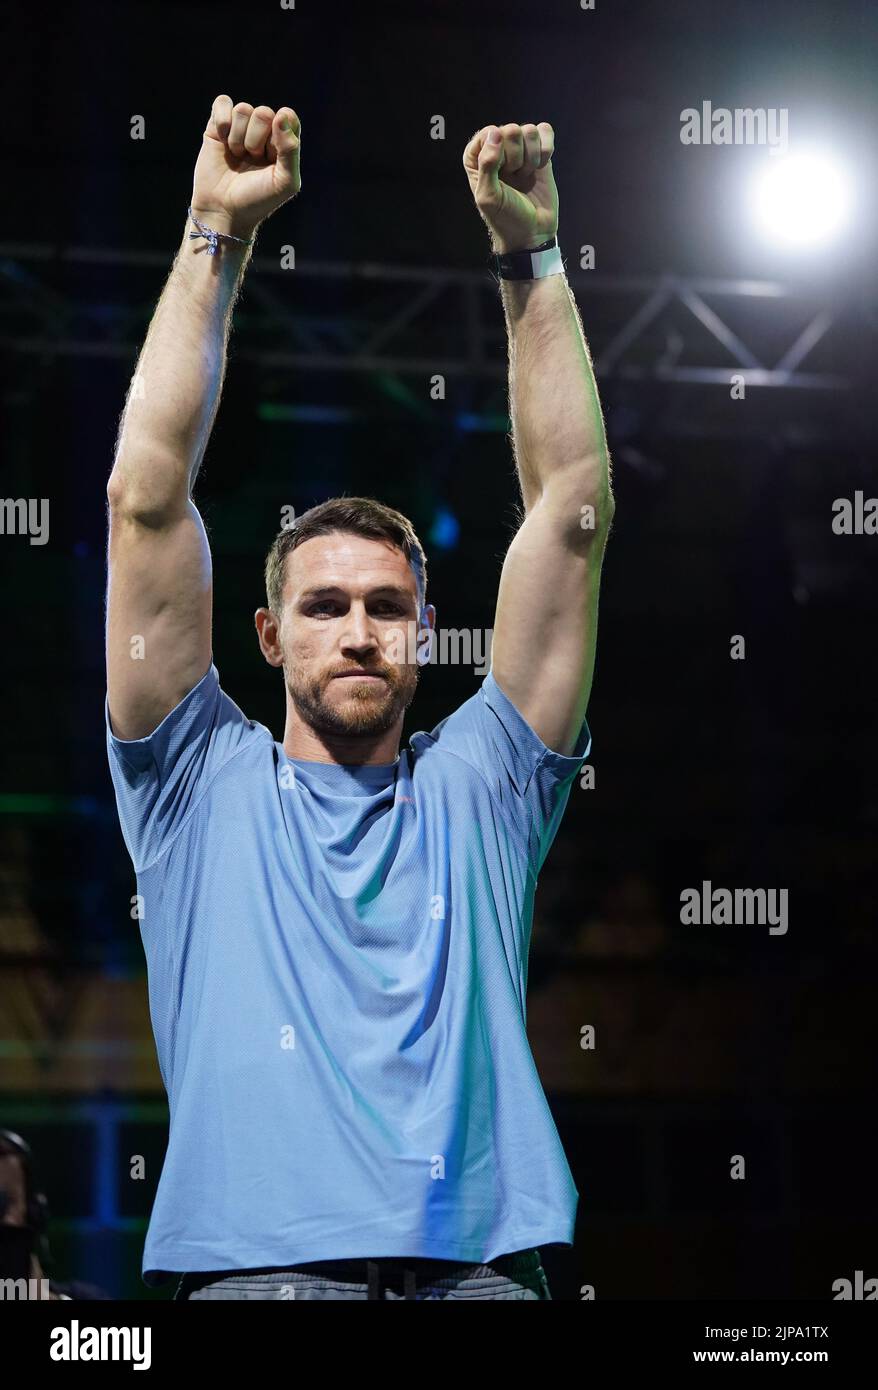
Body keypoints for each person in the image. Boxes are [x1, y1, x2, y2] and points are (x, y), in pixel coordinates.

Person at [104, 95, 614, 1301]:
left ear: (423, 633)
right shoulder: (192, 783)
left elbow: (572, 508)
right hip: (254, 1276)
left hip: (480, 1275)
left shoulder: (481, 781)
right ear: (270, 636)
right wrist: (211, 235)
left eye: (385, 606)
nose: (358, 630)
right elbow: (144, 500)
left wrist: (530, 254)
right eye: (325, 606)